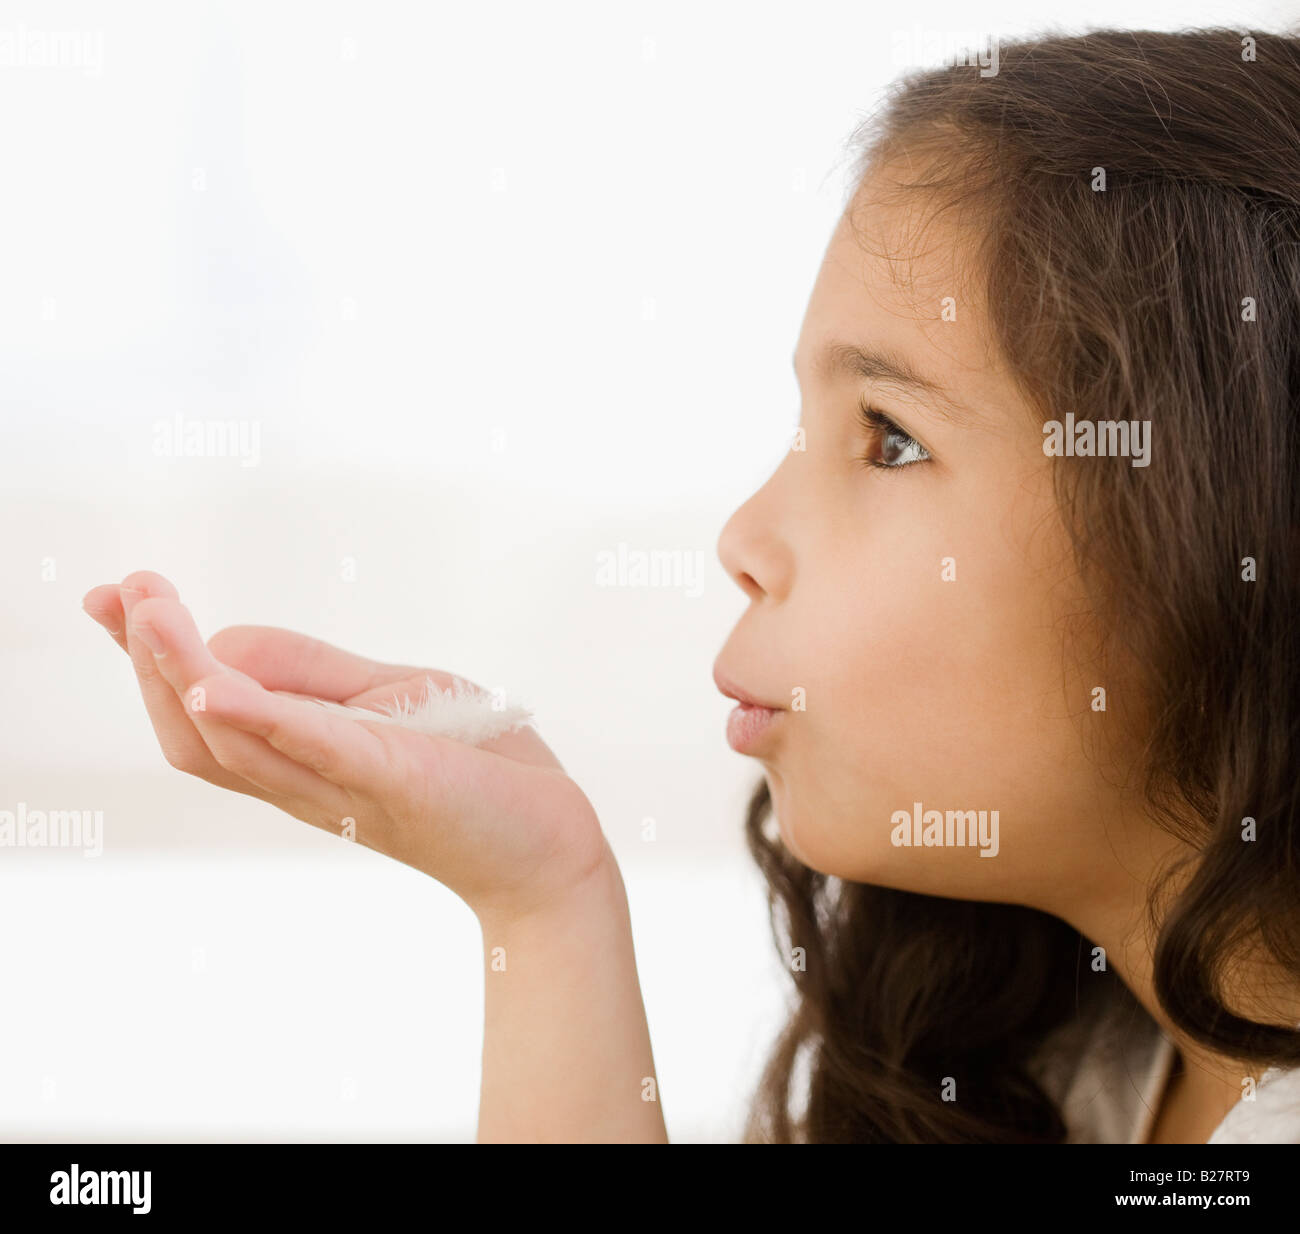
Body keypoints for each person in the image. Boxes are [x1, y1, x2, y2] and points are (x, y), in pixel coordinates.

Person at [83, 26, 1300, 1142]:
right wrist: (542, 898)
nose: (742, 536)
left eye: (889, 436)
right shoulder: (1088, 1063)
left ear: (1221, 510)